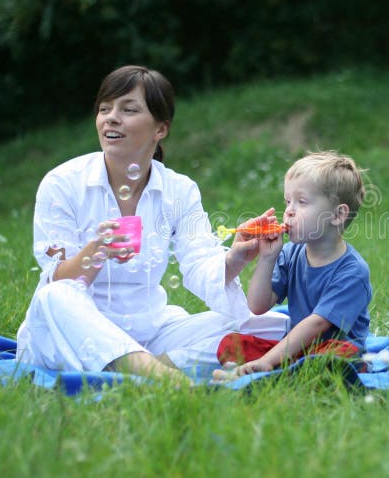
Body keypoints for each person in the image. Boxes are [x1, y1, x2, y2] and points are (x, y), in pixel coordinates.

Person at [15, 65, 288, 386]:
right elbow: (58, 277)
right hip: (76, 328)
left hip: (150, 330)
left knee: (268, 326)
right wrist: (96, 250)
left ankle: (141, 366)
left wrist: (235, 257)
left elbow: (200, 262)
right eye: (104, 109)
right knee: (54, 295)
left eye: (128, 110)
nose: (111, 118)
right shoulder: (62, 183)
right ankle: (173, 381)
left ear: (160, 129)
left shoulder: (179, 190)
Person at [213, 151, 372, 379]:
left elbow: (317, 325)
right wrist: (267, 258)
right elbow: (257, 306)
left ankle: (265, 372)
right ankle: (274, 372)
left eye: (302, 202)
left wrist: (267, 359)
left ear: (337, 215)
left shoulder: (352, 271)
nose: (289, 211)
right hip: (297, 349)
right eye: (288, 201)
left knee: (338, 354)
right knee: (231, 343)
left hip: (334, 350)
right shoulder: (290, 253)